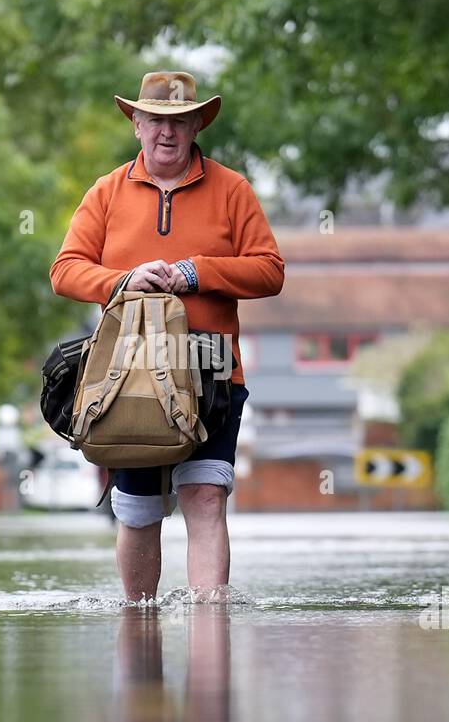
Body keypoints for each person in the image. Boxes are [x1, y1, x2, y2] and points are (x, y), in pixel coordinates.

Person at [50, 70, 285, 601]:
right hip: (131, 366)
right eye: (155, 119)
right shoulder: (105, 192)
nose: (167, 132)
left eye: (180, 122)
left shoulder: (233, 190)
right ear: (136, 123)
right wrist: (122, 279)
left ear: (198, 124)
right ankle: (139, 624)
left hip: (210, 363)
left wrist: (198, 272)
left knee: (204, 495)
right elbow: (64, 271)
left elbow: (270, 271)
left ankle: (209, 623)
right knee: (136, 509)